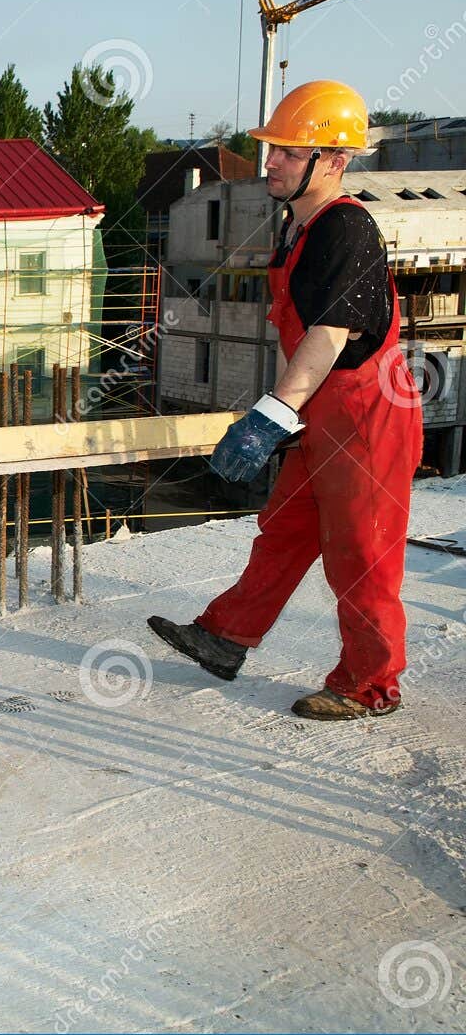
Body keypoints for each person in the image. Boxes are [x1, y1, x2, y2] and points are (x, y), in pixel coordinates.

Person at [147, 80, 422, 721]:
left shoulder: (345, 228)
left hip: (365, 417)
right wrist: (289, 413)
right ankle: (224, 637)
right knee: (285, 532)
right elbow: (298, 331)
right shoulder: (299, 228)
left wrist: (271, 415)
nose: (270, 161)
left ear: (332, 160)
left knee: (361, 554)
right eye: (273, 149)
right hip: (322, 415)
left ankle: (369, 683)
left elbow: (328, 335)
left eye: (288, 152)